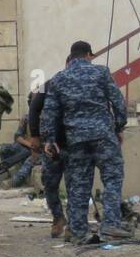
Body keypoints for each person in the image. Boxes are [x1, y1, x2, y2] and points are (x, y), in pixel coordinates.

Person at [41, 40, 129, 244]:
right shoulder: (101, 73)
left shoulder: (59, 79)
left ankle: (78, 230)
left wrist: (50, 139)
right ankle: (111, 225)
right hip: (103, 136)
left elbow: (50, 112)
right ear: (89, 55)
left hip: (76, 139)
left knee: (79, 185)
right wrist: (118, 128)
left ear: (70, 57)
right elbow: (118, 103)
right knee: (112, 179)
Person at [26, 80, 67, 238]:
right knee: (50, 183)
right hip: (51, 144)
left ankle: (76, 223)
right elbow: (34, 108)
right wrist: (35, 135)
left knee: (75, 185)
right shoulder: (50, 83)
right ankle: (58, 218)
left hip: (73, 144)